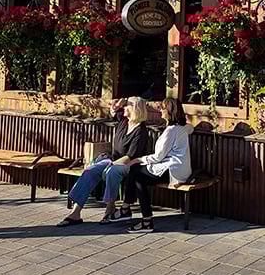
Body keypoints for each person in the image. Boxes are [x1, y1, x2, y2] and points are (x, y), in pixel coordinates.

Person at [57, 96, 149, 226]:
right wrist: (117, 104)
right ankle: (75, 213)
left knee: (112, 171)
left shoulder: (140, 131)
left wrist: (112, 164)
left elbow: (130, 156)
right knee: (90, 171)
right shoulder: (124, 121)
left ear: (135, 109)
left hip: (129, 164)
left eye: (127, 105)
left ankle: (110, 208)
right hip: (114, 159)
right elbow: (113, 111)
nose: (124, 108)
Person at [120, 97, 194, 233]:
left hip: (172, 171)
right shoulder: (182, 127)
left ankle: (130, 211)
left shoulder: (171, 131)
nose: (160, 110)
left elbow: (158, 156)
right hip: (181, 169)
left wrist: (139, 159)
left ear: (170, 111)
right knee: (138, 177)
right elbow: (191, 128)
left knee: (135, 171)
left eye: (163, 108)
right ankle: (141, 216)